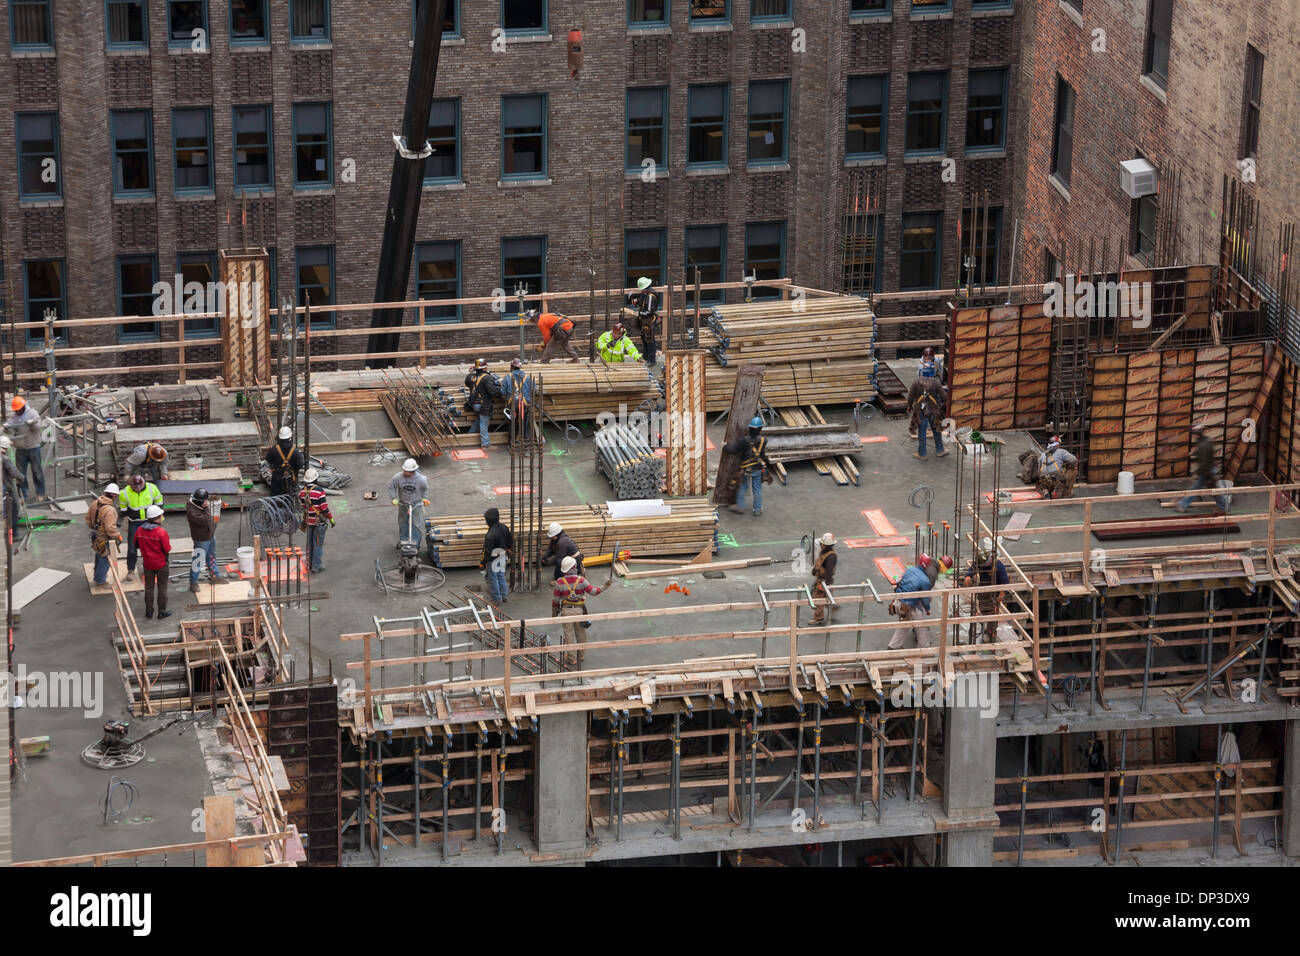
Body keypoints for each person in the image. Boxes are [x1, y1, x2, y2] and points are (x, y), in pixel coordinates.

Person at [552, 555, 605, 668]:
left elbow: (555, 601)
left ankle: (571, 659)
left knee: (569, 635)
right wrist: (605, 585)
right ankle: (580, 655)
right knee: (580, 633)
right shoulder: (581, 580)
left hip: (566, 611)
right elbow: (594, 592)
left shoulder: (559, 582)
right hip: (579, 611)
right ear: (574, 567)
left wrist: (554, 614)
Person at [961, 542, 1010, 643]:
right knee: (984, 609)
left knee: (993, 613)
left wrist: (1002, 593)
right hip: (983, 590)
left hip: (994, 592)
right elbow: (971, 570)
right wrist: (968, 577)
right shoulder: (980, 561)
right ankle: (986, 625)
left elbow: (1005, 581)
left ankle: (990, 632)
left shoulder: (998, 566)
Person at [118, 473, 163, 582]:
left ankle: (149, 569)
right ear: (131, 485)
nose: (138, 488)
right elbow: (123, 511)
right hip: (134, 523)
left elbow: (160, 504)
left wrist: (157, 520)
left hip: (150, 521)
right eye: (135, 487)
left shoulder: (152, 488)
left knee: (150, 547)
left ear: (143, 482)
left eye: (140, 486)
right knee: (132, 548)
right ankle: (131, 570)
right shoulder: (124, 493)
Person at [724, 416, 772, 517]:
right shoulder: (764, 440)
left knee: (743, 486)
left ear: (749, 428)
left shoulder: (743, 440)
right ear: (760, 429)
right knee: (757, 488)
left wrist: (724, 446)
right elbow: (762, 455)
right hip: (758, 468)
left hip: (745, 469)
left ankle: (740, 507)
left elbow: (733, 450)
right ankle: (757, 509)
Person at [1177, 423, 1230, 514]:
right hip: (1208, 469)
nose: (1192, 435)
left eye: (1193, 433)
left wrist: (1201, 472)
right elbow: (1205, 454)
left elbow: (1205, 461)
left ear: (1196, 433)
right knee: (1210, 490)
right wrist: (1194, 453)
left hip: (1207, 470)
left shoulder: (1203, 444)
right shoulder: (1205, 441)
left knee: (1205, 489)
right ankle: (1224, 507)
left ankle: (1182, 505)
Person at [135, 504, 172, 620]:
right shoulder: (161, 532)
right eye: (161, 515)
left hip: (147, 564)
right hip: (161, 564)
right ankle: (162, 612)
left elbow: (135, 544)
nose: (162, 516)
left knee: (149, 588)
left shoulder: (140, 530)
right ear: (157, 517)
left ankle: (149, 612)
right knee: (162, 587)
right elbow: (167, 549)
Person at [5, 395, 45, 501]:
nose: (17, 412)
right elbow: (11, 430)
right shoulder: (14, 417)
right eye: (16, 410)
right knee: (20, 474)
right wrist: (7, 428)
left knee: (37, 471)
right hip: (21, 449)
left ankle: (40, 493)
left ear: (23, 407)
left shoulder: (33, 413)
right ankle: (23, 494)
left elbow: (38, 428)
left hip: (33, 447)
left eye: (18, 410)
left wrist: (32, 424)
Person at [889, 561, 936, 650]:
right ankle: (924, 647)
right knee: (920, 625)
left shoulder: (910, 570)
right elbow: (925, 598)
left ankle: (894, 646)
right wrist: (927, 609)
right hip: (909, 606)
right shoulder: (924, 580)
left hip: (898, 601)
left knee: (904, 625)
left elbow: (901, 582)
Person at [907, 363, 948, 460]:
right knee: (936, 431)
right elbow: (944, 397)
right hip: (934, 411)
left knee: (922, 432)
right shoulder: (936, 383)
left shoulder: (916, 382)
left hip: (920, 412)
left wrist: (909, 406)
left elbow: (910, 398)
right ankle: (940, 450)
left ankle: (922, 454)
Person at [185, 488, 222, 592]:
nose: (207, 503)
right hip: (201, 539)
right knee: (198, 560)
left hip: (210, 535)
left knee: (212, 556)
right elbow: (207, 520)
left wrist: (213, 526)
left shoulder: (201, 506)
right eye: (205, 501)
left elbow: (210, 520)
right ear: (198, 502)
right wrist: (210, 517)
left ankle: (214, 576)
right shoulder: (192, 512)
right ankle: (193, 582)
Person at [298, 468, 334, 573]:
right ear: (316, 479)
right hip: (319, 523)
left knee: (310, 543)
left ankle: (309, 565)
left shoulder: (302, 492)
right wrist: (331, 519)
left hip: (309, 521)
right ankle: (316, 566)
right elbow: (324, 508)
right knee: (317, 543)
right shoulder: (320, 491)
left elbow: (304, 507)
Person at [85, 483, 122, 586]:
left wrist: (94, 527)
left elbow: (87, 518)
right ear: (114, 495)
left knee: (98, 554)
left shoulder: (95, 503)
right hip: (104, 537)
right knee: (105, 558)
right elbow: (110, 529)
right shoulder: (110, 510)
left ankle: (97, 576)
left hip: (96, 535)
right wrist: (117, 536)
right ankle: (100, 580)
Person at [389, 458, 430, 547]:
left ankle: (415, 544)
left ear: (413, 471)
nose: (405, 472)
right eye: (404, 470)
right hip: (403, 504)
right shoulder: (398, 477)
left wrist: (425, 499)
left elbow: (425, 489)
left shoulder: (421, 479)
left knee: (416, 524)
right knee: (403, 522)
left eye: (407, 471)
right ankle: (403, 540)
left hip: (416, 504)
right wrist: (393, 498)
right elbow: (391, 486)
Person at [481, 507, 514, 604]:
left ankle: (496, 599)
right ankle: (504, 595)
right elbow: (510, 539)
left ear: (488, 521)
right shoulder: (504, 527)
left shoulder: (490, 535)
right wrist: (508, 548)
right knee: (501, 575)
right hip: (502, 556)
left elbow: (486, 551)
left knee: (493, 578)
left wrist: (482, 563)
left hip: (493, 559)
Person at [625, 277, 660, 365]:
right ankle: (645, 357)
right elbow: (642, 300)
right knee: (644, 338)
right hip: (644, 320)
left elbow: (649, 311)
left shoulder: (651, 296)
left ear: (645, 288)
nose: (641, 291)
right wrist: (637, 301)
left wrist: (640, 313)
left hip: (649, 320)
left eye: (642, 289)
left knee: (649, 339)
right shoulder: (645, 294)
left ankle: (651, 360)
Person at [464, 358, 497, 450]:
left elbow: (467, 382)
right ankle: (485, 445)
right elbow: (493, 391)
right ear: (484, 368)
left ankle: (469, 435)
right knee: (484, 424)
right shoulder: (487, 378)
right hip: (483, 405)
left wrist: (471, 372)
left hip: (474, 404)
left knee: (480, 420)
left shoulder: (471, 377)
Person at [265, 426, 303, 496]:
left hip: (277, 479)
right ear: (290, 437)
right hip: (291, 479)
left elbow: (268, 461)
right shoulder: (295, 452)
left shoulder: (274, 450)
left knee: (276, 499)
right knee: (289, 500)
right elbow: (300, 465)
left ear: (280, 437)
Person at [810, 533, 838, 625]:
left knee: (817, 599)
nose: (821, 545)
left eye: (822, 544)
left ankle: (818, 617)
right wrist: (815, 570)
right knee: (826, 597)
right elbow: (819, 562)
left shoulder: (831, 557)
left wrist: (826, 584)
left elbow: (829, 571)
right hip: (820, 579)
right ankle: (833, 607)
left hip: (824, 581)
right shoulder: (824, 552)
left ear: (826, 545)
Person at [503, 359, 535, 437]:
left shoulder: (507, 377)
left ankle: (512, 442)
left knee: (512, 423)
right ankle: (526, 440)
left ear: (512, 367)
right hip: (524, 403)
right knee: (525, 423)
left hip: (512, 403)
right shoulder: (527, 377)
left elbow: (502, 392)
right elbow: (534, 389)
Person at [2, 435, 25, 532]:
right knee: (13, 510)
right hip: (6, 488)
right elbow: (14, 472)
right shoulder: (5, 459)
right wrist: (21, 478)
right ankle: (13, 533)